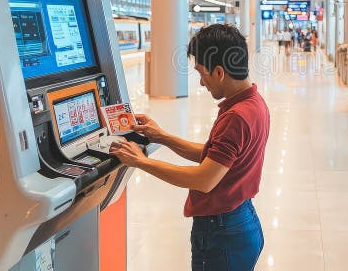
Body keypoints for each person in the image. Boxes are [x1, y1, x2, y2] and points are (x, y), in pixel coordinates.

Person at [110, 24, 270, 271]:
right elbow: (214, 157)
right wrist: (161, 137)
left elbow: (204, 179)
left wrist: (141, 162)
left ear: (218, 72)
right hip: (242, 219)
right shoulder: (254, 102)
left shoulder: (236, 117)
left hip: (222, 233)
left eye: (201, 73)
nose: (202, 83)